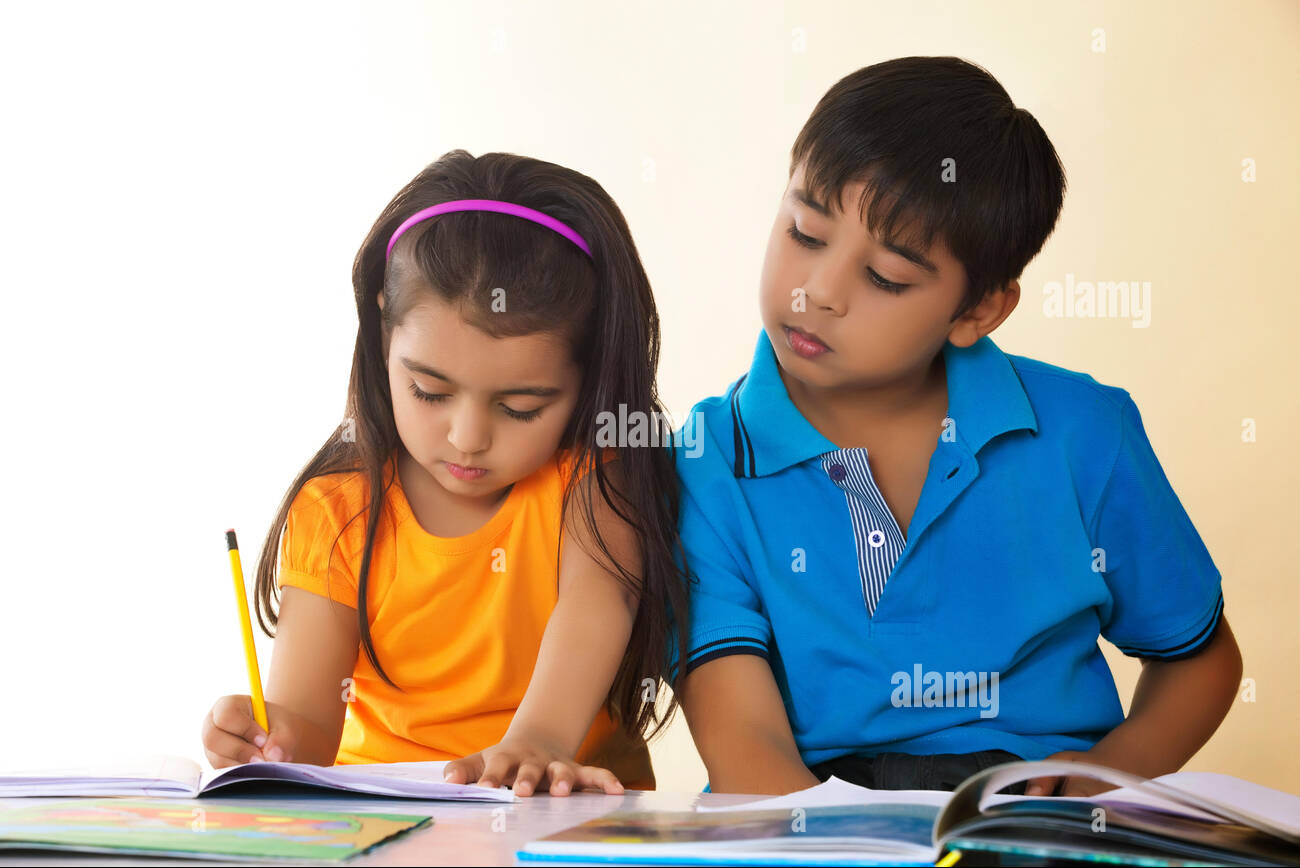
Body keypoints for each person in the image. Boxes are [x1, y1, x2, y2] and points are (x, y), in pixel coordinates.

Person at [668, 57, 1242, 797]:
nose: (818, 293)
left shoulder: (1085, 435)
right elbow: (744, 746)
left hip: (1038, 817)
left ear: (978, 311)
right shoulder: (706, 461)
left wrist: (1102, 782)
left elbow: (1200, 658)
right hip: (818, 816)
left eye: (886, 279)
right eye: (806, 233)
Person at [200, 150, 690, 796]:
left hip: (561, 818)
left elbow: (596, 606)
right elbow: (310, 731)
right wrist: (265, 738)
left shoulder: (595, 481)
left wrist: (537, 743)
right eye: (430, 392)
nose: (467, 438)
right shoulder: (336, 507)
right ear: (382, 335)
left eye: (521, 407)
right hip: (383, 823)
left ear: (587, 377)